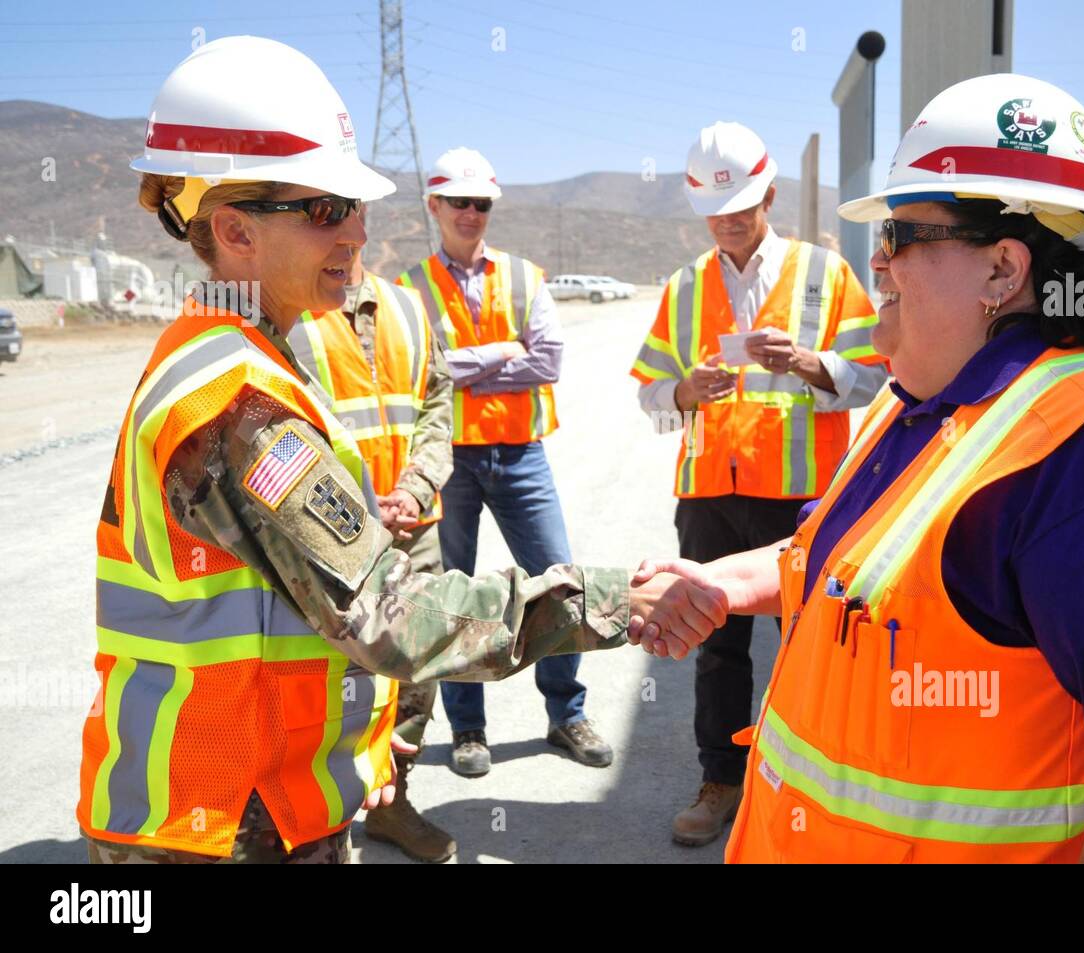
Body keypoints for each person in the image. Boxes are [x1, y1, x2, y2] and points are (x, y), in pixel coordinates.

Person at [79, 36, 725, 864]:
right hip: (210, 825)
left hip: (258, 802)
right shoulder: (237, 406)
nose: (357, 231)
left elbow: (294, 625)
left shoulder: (250, 352)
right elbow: (394, 617)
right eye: (324, 209)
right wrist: (614, 602)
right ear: (235, 231)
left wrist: (351, 759)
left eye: (355, 206)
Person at [632, 74, 1084, 863]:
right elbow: (842, 567)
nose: (878, 261)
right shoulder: (927, 403)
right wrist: (721, 583)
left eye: (901, 235)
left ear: (1003, 271)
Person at [629, 121, 886, 846]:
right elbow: (648, 389)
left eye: (742, 206)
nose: (730, 222)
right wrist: (684, 392)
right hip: (710, 493)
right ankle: (722, 779)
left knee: (813, 642)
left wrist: (809, 363)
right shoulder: (684, 288)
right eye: (716, 212)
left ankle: (819, 784)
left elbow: (873, 375)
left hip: (801, 498)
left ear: (769, 194)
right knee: (717, 645)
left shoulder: (826, 273)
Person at [396, 148, 608, 777]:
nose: (470, 212)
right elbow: (422, 372)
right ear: (433, 205)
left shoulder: (524, 277)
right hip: (449, 463)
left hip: (520, 455)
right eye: (457, 201)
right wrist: (500, 353)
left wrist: (464, 367)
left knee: (559, 580)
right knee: (453, 594)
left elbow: (547, 361)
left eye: (480, 202)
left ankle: (567, 713)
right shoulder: (409, 289)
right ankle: (467, 728)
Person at [286, 204, 458, 861]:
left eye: (349, 214)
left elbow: (439, 401)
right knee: (331, 673)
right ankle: (317, 816)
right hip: (328, 537)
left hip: (414, 526)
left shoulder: (410, 307)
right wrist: (360, 509)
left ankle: (393, 799)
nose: (342, 234)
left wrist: (416, 486)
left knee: (416, 664)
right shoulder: (291, 313)